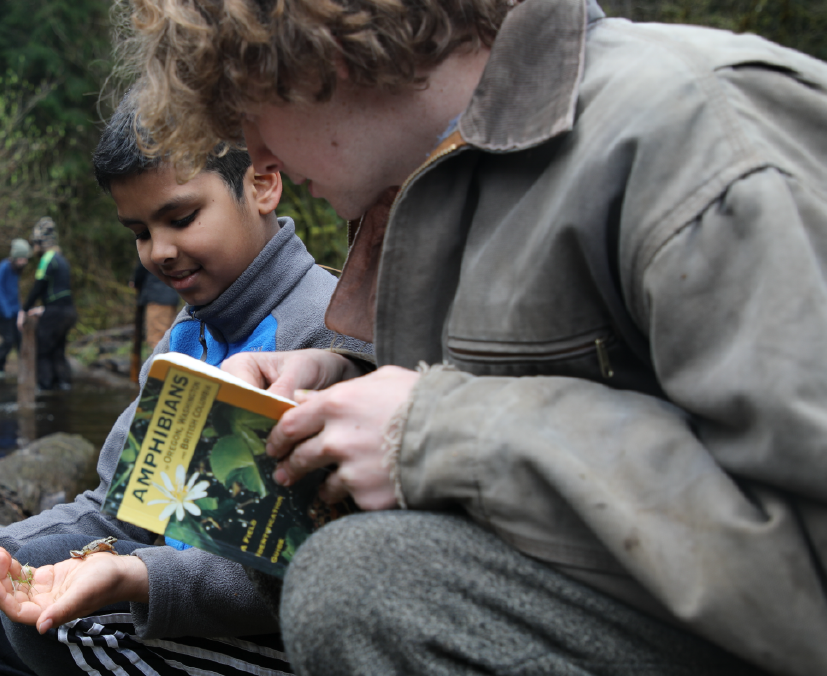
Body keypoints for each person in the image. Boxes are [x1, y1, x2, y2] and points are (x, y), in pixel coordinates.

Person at [119, 0, 827, 674]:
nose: (256, 151)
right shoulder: (433, 177)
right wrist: (346, 386)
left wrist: (431, 429)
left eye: (248, 113)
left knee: (366, 584)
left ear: (312, 57)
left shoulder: (697, 133)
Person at [0, 94, 371, 676]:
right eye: (139, 231)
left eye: (181, 218)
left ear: (263, 184)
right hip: (184, 605)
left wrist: (139, 577)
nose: (158, 252)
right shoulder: (181, 345)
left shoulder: (330, 334)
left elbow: (329, 572)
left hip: (298, 640)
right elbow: (115, 514)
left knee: (49, 632)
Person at [19, 217, 77, 391]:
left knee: (43, 351)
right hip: (67, 311)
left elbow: (38, 287)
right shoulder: (61, 259)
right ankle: (63, 384)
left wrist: (24, 310)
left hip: (56, 313)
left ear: (40, 243)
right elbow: (60, 291)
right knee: (58, 351)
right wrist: (46, 307)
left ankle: (44, 386)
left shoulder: (47, 259)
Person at [0, 238, 32, 378]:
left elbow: (15, 291)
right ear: (14, 257)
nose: (23, 262)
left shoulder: (17, 270)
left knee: (20, 341)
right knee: (8, 340)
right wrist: (6, 309)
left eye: (25, 259)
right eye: (20, 259)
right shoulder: (4, 266)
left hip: (15, 312)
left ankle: (25, 369)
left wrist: (20, 310)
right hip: (3, 313)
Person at [131, 260, 181, 348]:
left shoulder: (151, 252)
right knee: (168, 336)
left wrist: (135, 282)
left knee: (157, 338)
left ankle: (160, 361)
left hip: (157, 299)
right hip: (171, 296)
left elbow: (141, 271)